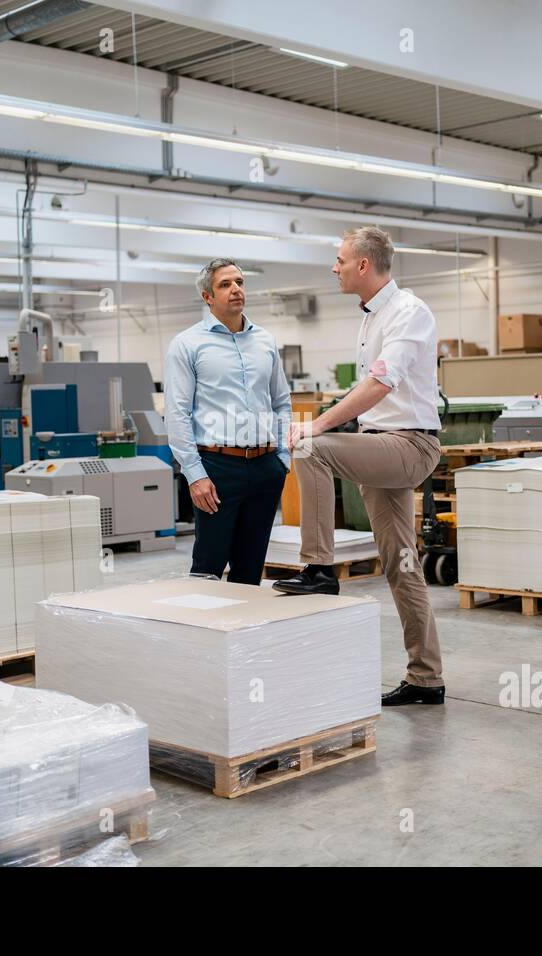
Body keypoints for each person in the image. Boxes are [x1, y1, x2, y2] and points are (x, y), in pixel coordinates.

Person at [276, 227, 445, 707]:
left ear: (364, 265)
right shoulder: (370, 319)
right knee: (402, 564)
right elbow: (369, 393)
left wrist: (320, 424)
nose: (335, 268)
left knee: (312, 448)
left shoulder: (409, 312)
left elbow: (381, 385)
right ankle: (426, 677)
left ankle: (318, 567)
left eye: (340, 260)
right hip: (379, 446)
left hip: (409, 446)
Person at [163, 258, 292, 585]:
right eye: (225, 284)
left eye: (239, 282)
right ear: (208, 296)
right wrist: (194, 474)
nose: (236, 289)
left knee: (250, 569)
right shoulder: (187, 344)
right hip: (217, 468)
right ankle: (200, 634)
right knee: (208, 566)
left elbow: (281, 401)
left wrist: (284, 459)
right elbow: (177, 413)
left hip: (265, 467)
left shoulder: (265, 341)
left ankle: (242, 634)